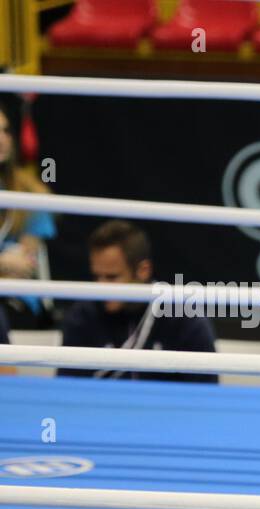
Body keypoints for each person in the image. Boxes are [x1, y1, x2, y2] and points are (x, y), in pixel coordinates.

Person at [59, 220, 217, 383]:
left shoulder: (184, 317)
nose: (101, 287)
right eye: (97, 276)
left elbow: (206, 393)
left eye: (112, 277)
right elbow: (66, 393)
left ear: (143, 271)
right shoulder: (81, 317)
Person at [0, 103, 56, 323]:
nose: (2, 139)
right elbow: (10, 263)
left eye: (5, 131)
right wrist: (4, 260)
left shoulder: (31, 191)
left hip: (15, 299)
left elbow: (23, 263)